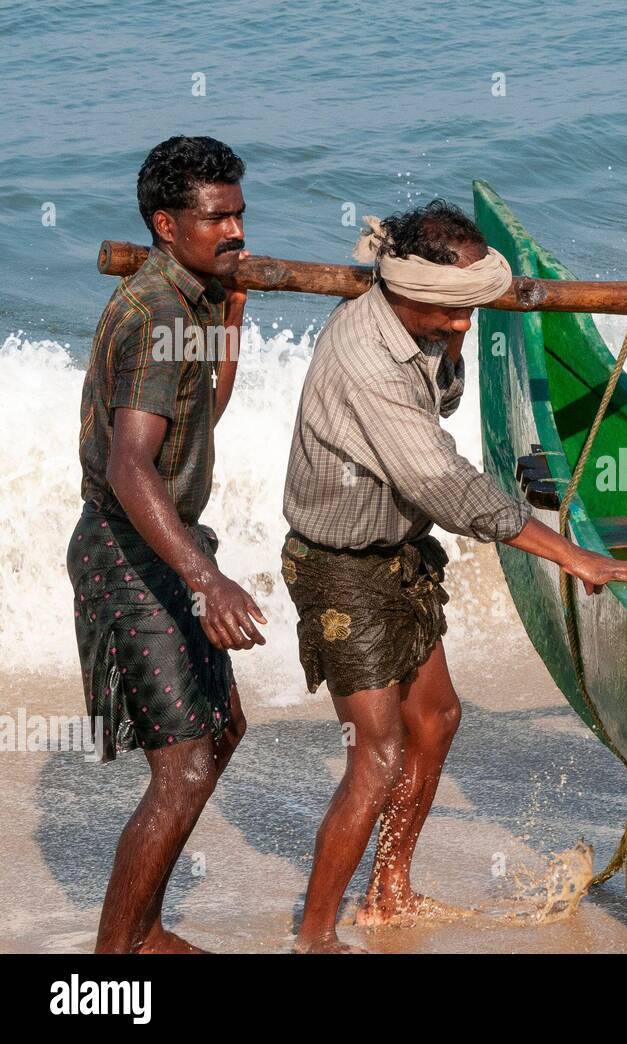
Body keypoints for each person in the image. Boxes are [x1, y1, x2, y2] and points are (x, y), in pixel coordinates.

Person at [281, 200, 627, 953]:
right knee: (375, 759)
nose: (463, 326)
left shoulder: (423, 324)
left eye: (471, 311)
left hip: (398, 555)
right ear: (403, 289)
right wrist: (565, 552)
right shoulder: (365, 358)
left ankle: (388, 890)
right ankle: (314, 936)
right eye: (450, 313)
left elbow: (441, 399)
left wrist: (446, 334)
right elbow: (444, 483)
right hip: (341, 570)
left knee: (438, 720)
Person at [67, 135, 265, 953]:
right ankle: (117, 962)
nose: (236, 233)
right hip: (128, 550)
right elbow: (128, 463)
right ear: (164, 223)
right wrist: (206, 579)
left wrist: (234, 317)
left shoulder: (195, 300)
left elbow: (200, 416)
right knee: (182, 768)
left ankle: (143, 932)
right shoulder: (152, 313)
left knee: (220, 733)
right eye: (217, 219)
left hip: (169, 542)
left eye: (240, 215)